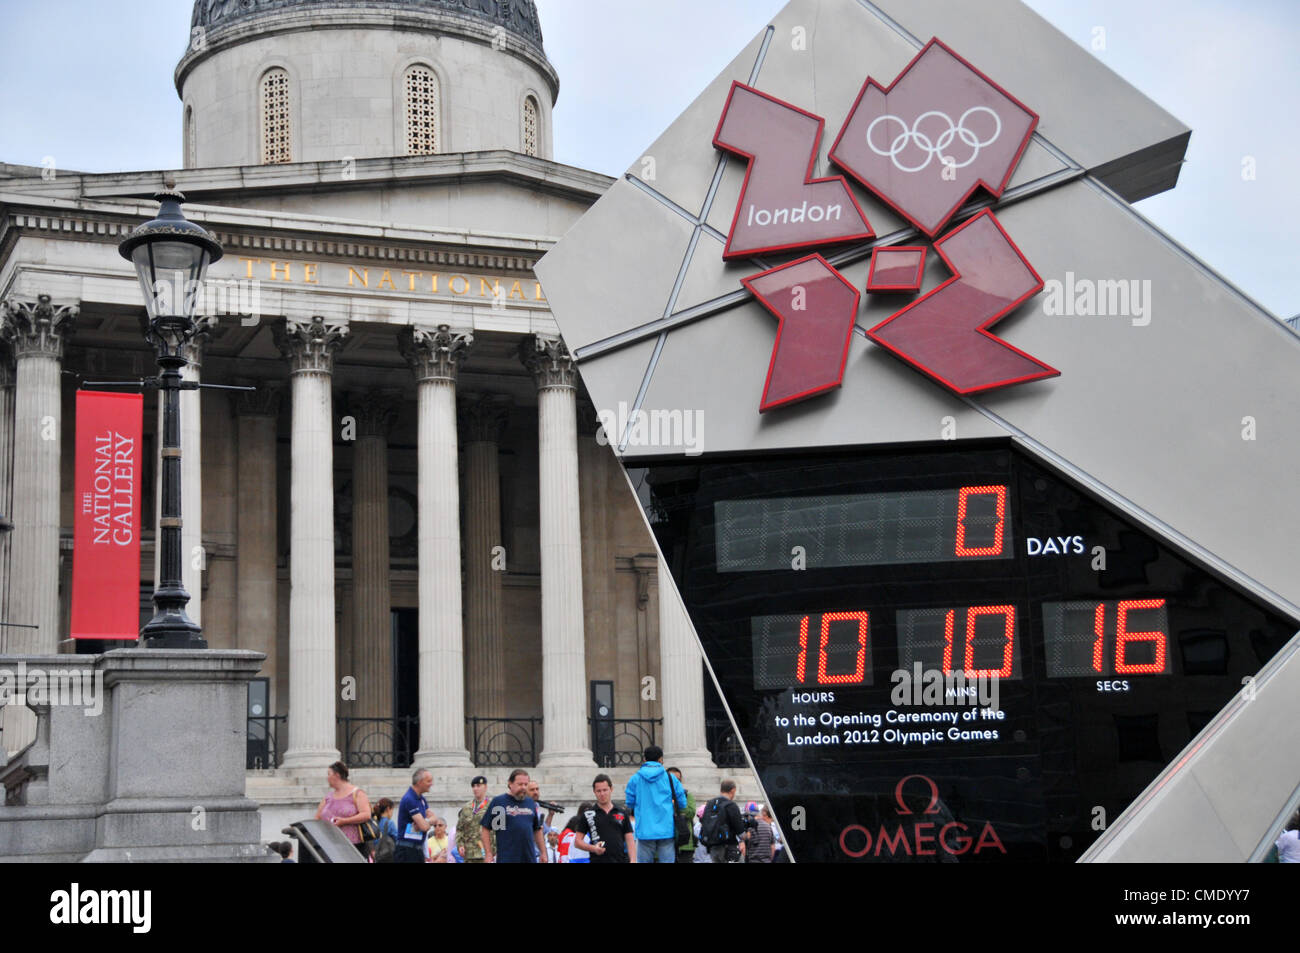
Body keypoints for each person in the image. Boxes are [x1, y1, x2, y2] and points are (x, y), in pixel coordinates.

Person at [624, 745, 686, 863]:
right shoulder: (671, 778)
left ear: (644, 760)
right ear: (660, 760)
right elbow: (682, 803)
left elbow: (630, 803)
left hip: (644, 830)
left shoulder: (635, 779)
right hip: (666, 830)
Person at [480, 768, 547, 863]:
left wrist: (543, 852)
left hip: (529, 858)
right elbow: (486, 828)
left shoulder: (530, 802)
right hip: (507, 858)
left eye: (525, 784)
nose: (523, 787)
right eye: (520, 784)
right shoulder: (499, 802)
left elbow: (537, 829)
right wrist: (488, 853)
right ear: (510, 784)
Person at [571, 774, 636, 864]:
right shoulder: (588, 814)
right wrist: (594, 848)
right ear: (594, 792)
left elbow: (629, 838)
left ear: (611, 789)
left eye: (605, 790)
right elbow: (577, 842)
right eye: (599, 791)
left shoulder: (621, 812)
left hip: (620, 860)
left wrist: (633, 860)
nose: (602, 794)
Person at [314, 761, 371, 858]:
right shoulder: (328, 797)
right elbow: (317, 817)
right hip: (331, 846)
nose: (327, 778)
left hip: (353, 846)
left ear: (337, 775)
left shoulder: (357, 793)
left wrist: (345, 821)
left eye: (329, 774)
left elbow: (366, 814)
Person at [698, 779, 746, 864]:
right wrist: (747, 836)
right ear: (733, 790)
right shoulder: (731, 805)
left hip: (712, 847)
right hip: (728, 848)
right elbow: (740, 832)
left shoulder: (709, 804)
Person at [395, 767, 436, 864]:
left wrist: (425, 821)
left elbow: (434, 818)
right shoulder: (409, 799)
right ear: (419, 782)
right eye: (429, 781)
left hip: (417, 849)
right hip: (407, 850)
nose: (431, 784)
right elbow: (424, 827)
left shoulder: (421, 798)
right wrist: (426, 822)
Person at [455, 776, 493, 863]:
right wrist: (460, 845)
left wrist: (492, 852)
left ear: (485, 787)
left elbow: (497, 831)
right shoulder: (466, 807)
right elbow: (460, 829)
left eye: (479, 786)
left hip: (485, 854)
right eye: (473, 786)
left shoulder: (493, 806)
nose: (475, 789)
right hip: (469, 854)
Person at [667, 766, 697, 863]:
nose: (676, 782)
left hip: (685, 843)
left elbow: (691, 813)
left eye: (678, 780)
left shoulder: (687, 795)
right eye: (673, 779)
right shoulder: (660, 796)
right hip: (665, 841)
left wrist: (677, 803)